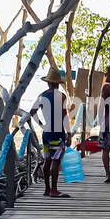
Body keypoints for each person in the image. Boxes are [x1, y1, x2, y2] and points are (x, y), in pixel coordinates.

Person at [33, 67, 72, 197]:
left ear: (48, 82)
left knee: (47, 160)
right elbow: (64, 116)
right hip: (58, 133)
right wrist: (69, 133)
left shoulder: (41, 96)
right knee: (56, 161)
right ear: (58, 83)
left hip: (46, 133)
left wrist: (41, 125)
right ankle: (54, 190)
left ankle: (47, 189)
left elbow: (32, 113)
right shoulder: (61, 96)